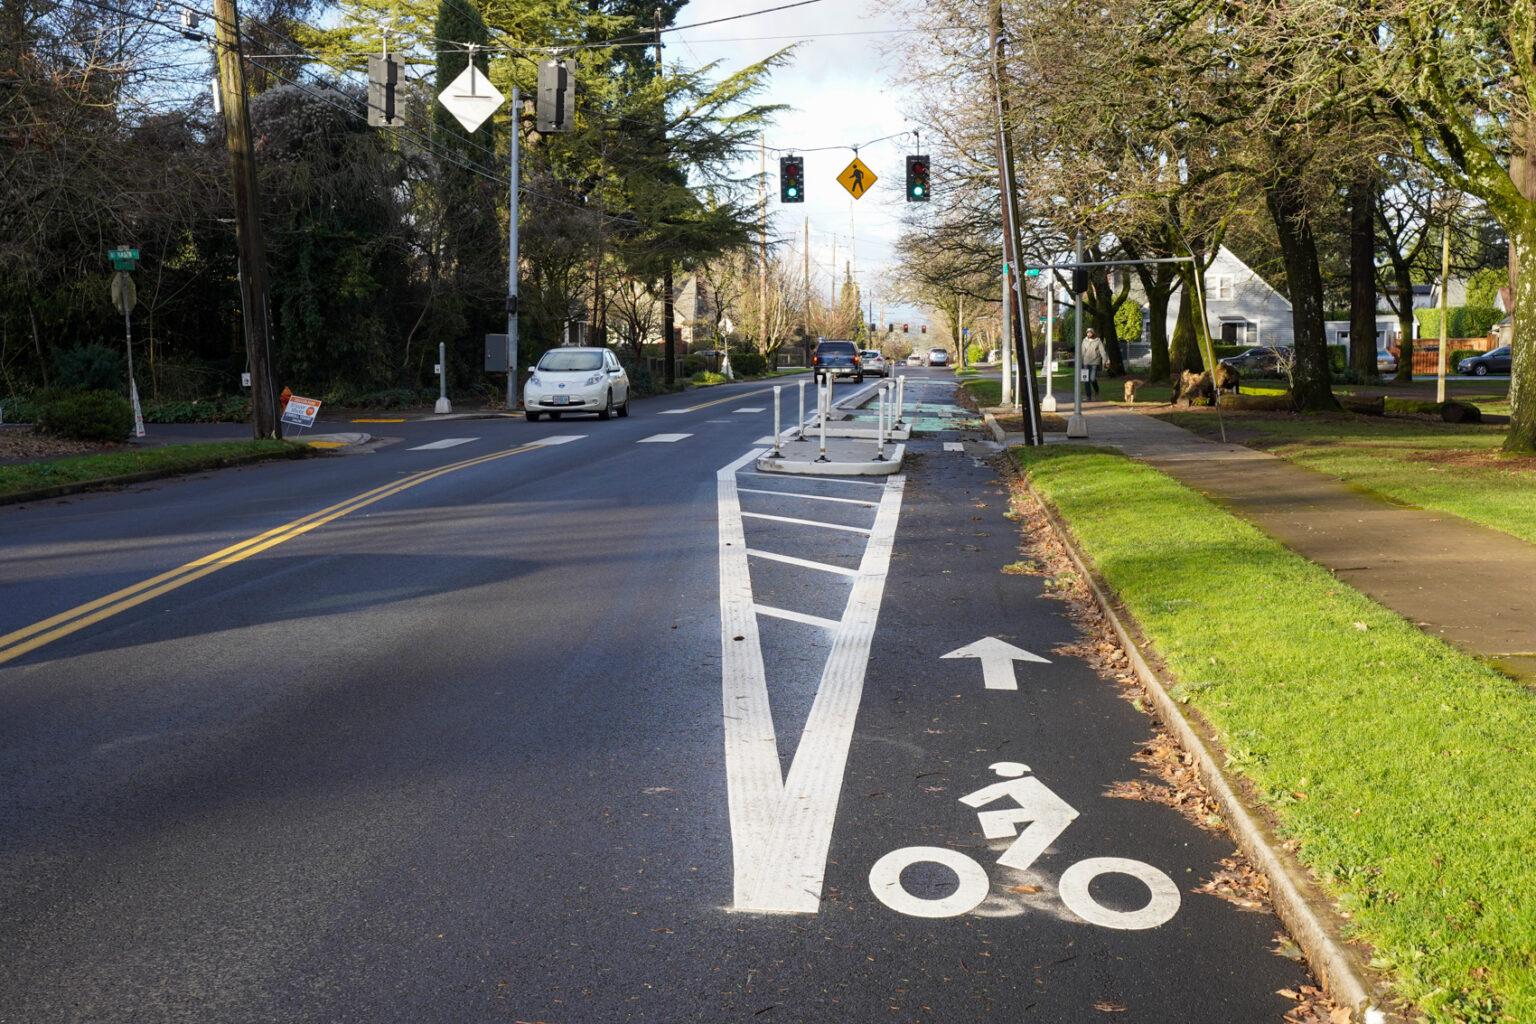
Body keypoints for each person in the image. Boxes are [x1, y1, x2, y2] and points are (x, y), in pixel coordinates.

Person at [1081, 329, 1108, 398]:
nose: (1089, 334)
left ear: (1093, 333)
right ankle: (1088, 396)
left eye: (1090, 333)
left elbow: (1102, 351)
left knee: (1092, 378)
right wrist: (1081, 361)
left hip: (1095, 361)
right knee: (1086, 379)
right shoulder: (1084, 341)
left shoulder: (1098, 340)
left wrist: (1105, 360)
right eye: (1087, 333)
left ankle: (1096, 390)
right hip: (1086, 362)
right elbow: (1082, 352)